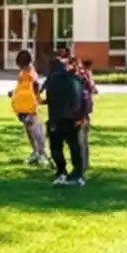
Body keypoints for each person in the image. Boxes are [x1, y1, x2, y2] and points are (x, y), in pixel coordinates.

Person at [45, 56, 84, 187]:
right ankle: (77, 172)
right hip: (71, 118)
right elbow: (79, 97)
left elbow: (50, 99)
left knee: (56, 147)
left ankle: (61, 170)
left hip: (56, 118)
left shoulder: (52, 80)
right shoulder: (74, 79)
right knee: (74, 146)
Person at [9, 49, 47, 165]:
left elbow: (35, 86)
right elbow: (24, 88)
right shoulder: (24, 73)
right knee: (31, 130)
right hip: (24, 108)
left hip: (28, 107)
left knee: (35, 131)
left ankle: (41, 154)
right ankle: (36, 152)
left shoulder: (30, 73)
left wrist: (38, 98)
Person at [75, 58, 99, 171]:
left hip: (81, 116)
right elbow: (94, 90)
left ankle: (81, 166)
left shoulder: (82, 87)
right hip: (85, 115)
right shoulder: (87, 81)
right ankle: (84, 164)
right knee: (83, 141)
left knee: (80, 142)